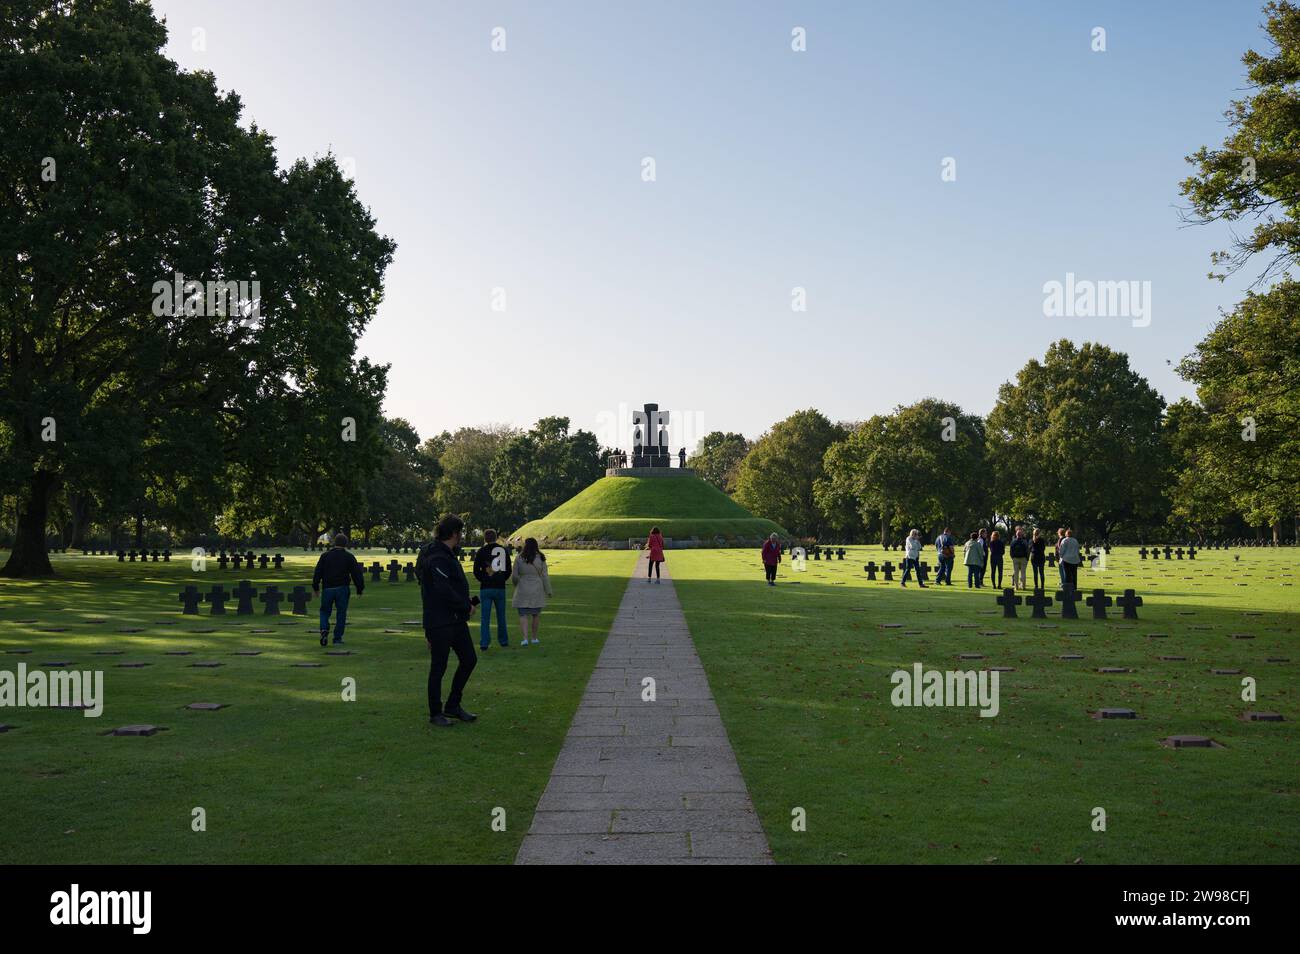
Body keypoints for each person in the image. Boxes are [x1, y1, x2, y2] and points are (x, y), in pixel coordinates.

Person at [417, 515, 478, 728]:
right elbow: (442, 589)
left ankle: (453, 705)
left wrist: (465, 602)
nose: (461, 536)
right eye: (460, 532)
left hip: (455, 620)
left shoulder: (446, 554)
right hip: (440, 621)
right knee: (438, 667)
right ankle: (435, 712)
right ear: (454, 533)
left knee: (469, 659)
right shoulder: (436, 556)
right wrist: (465, 606)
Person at [311, 533, 364, 647]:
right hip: (342, 588)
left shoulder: (325, 556)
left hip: (328, 588)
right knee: (341, 613)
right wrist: (359, 588)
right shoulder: (349, 557)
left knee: (324, 611)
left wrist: (315, 587)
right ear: (345, 544)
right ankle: (337, 638)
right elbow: (356, 574)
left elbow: (318, 572)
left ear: (334, 542)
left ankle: (324, 629)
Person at [472, 529, 511, 652]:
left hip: (486, 587)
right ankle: (503, 641)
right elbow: (508, 569)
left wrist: (483, 579)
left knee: (485, 617)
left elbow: (476, 570)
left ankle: (484, 643)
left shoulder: (481, 551)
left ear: (485, 539)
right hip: (499, 587)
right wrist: (501, 579)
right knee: (501, 616)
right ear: (496, 537)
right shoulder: (503, 550)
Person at [511, 537, 552, 645]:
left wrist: (516, 584)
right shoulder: (541, 558)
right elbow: (545, 575)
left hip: (523, 587)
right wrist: (548, 590)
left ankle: (525, 638)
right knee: (535, 614)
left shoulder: (519, 557)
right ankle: (534, 638)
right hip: (537, 588)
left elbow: (514, 575)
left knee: (523, 615)